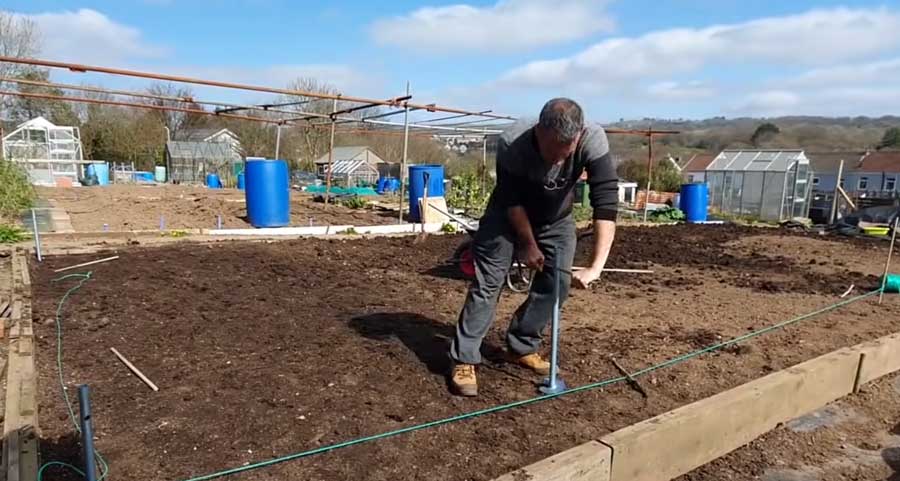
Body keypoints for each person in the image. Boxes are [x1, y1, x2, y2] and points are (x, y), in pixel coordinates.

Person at [449, 98, 618, 396]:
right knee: (489, 282)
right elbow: (511, 199)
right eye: (550, 148)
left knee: (557, 283)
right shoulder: (513, 141)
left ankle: (521, 345)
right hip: (505, 215)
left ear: (577, 136)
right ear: (539, 130)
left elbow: (605, 203)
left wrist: (595, 267)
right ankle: (463, 358)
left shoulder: (592, 139)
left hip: (557, 218)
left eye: (563, 150)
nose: (555, 159)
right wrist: (527, 244)